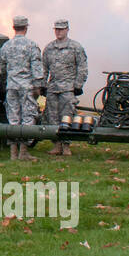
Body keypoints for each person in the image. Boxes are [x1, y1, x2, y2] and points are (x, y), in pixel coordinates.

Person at [0, 15, 44, 161]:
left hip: (11, 87)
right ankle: (23, 152)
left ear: (13, 27)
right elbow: (37, 69)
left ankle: (13, 154)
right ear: (26, 28)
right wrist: (38, 87)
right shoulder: (31, 45)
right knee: (28, 118)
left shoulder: (6, 46)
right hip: (26, 88)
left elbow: (1, 69)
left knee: (13, 119)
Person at [42, 18, 87, 156]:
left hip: (68, 89)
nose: (59, 32)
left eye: (61, 29)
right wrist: (43, 85)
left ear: (67, 29)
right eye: (56, 29)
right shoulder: (49, 48)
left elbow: (82, 68)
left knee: (67, 117)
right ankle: (56, 145)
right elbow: (44, 69)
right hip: (53, 88)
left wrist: (78, 85)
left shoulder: (75, 47)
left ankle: (66, 146)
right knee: (52, 117)